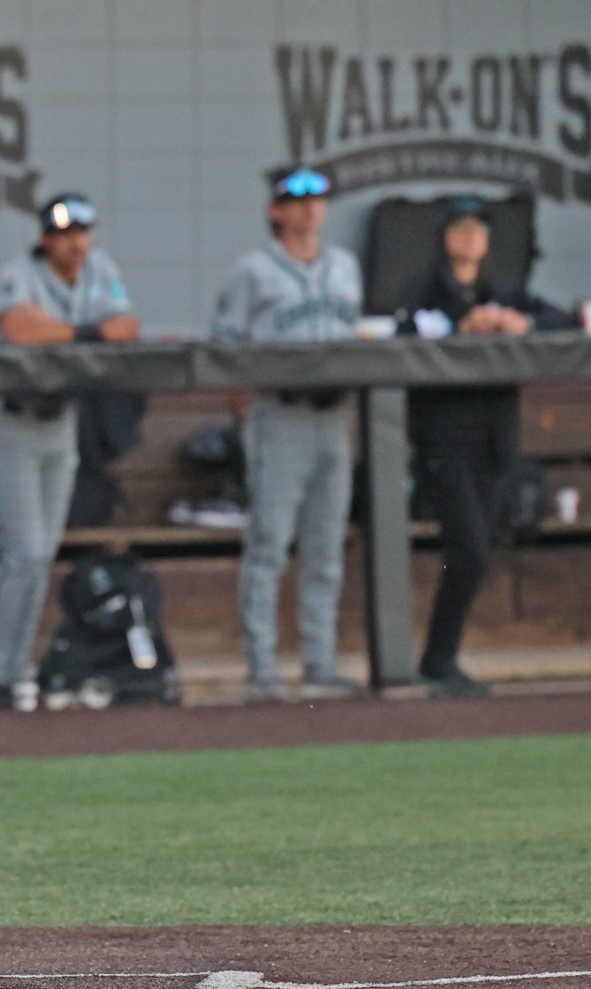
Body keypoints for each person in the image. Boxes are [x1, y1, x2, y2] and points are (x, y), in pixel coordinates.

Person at [0, 193, 140, 708]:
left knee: (38, 558)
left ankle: (10, 669)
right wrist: (90, 335)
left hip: (59, 422)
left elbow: (128, 328)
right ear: (45, 238)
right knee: (25, 553)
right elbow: (21, 329)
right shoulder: (20, 272)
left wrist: (68, 335)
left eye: (81, 232)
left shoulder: (100, 268)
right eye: (64, 234)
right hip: (10, 421)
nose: (74, 243)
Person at [395, 196, 572, 698]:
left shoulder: (503, 289)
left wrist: (521, 325)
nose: (471, 238)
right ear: (446, 235)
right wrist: (460, 328)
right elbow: (405, 332)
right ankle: (438, 657)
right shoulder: (425, 287)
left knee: (477, 546)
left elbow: (563, 321)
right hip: (444, 438)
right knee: (469, 547)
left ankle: (439, 656)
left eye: (480, 229)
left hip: (495, 437)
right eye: (462, 228)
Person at [211, 166, 364, 703]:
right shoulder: (252, 270)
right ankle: (263, 669)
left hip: (332, 418)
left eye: (318, 197)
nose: (309, 207)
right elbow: (224, 351)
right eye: (296, 198)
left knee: (326, 547)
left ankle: (319, 663)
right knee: (270, 544)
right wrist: (246, 420)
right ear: (276, 209)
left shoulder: (344, 266)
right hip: (279, 415)